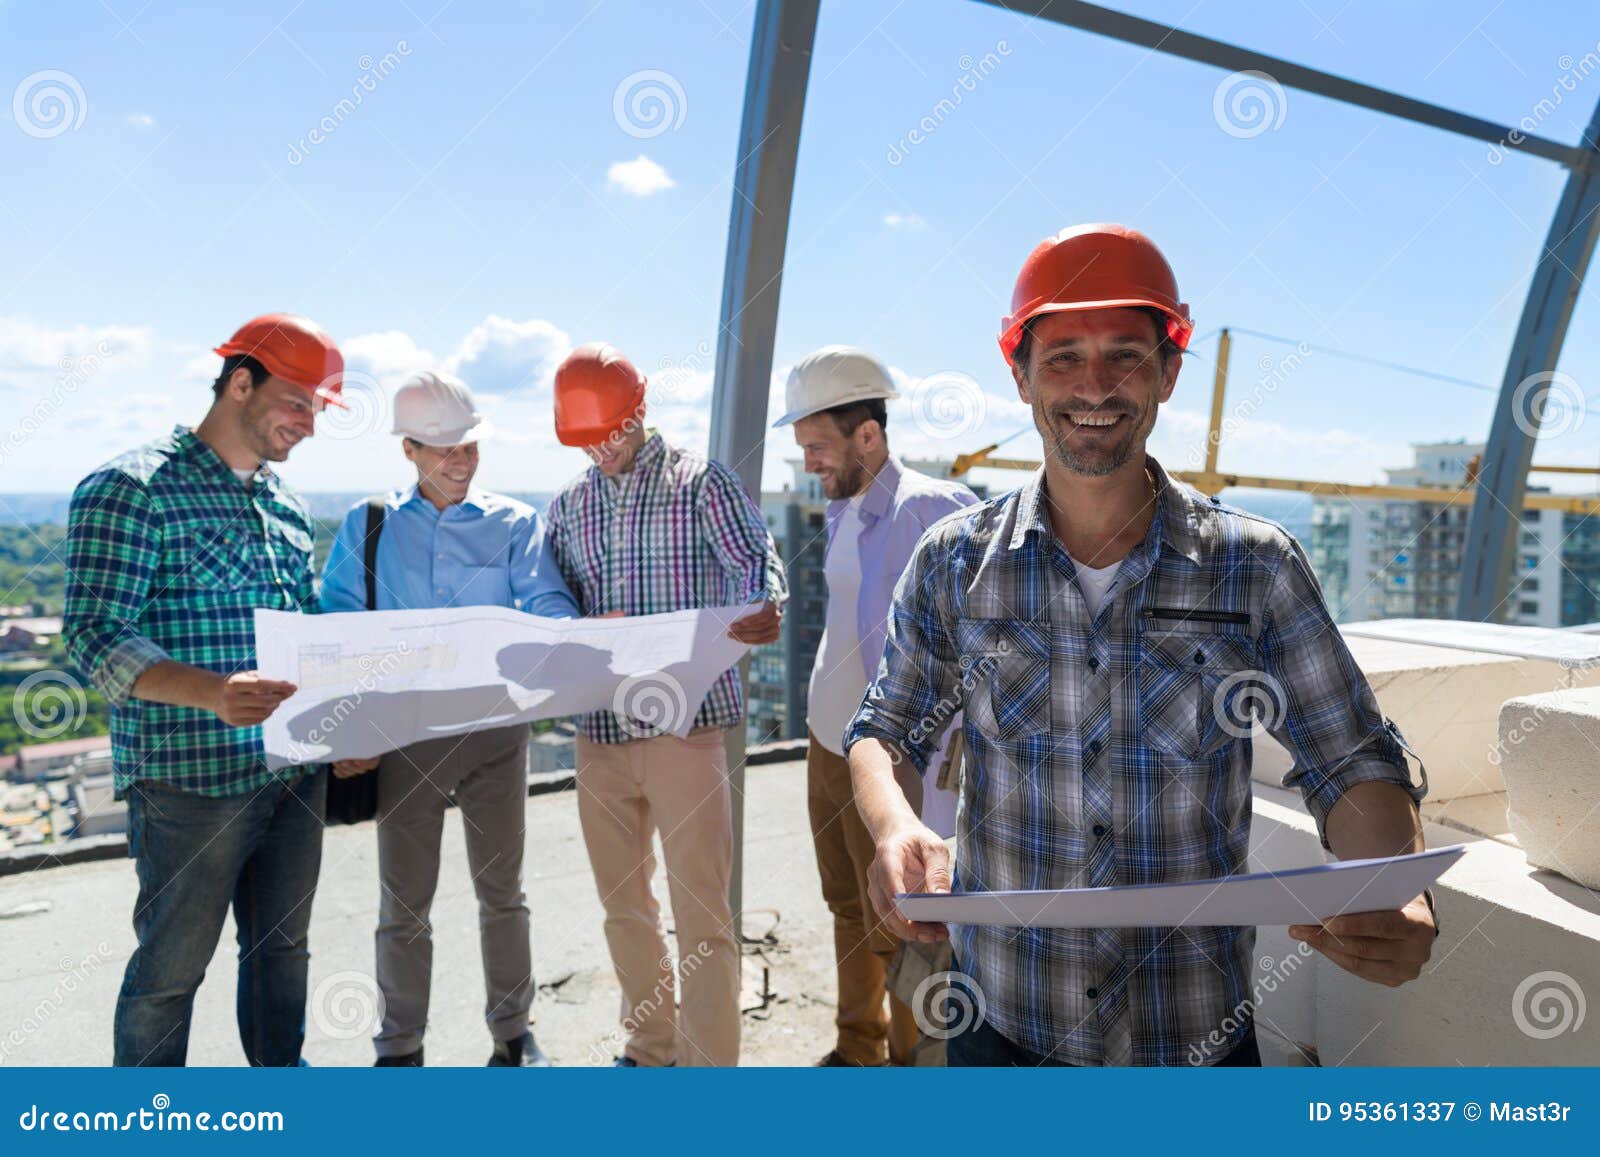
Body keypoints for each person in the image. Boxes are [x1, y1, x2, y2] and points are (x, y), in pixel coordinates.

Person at [844, 224, 1438, 1067]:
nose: (1095, 385)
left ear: (1167, 373)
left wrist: (1393, 885)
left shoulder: (1254, 568)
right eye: (1063, 358)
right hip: (1003, 1028)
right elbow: (886, 728)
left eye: (1125, 354)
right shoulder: (954, 562)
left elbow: (1351, 759)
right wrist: (894, 824)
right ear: (1020, 376)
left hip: (1194, 1040)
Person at [64, 313, 343, 1066]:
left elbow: (308, 634)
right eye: (297, 403)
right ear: (240, 382)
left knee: (283, 955)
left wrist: (346, 728)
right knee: (170, 975)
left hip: (291, 775)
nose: (308, 425)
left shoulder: (286, 506)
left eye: (317, 411)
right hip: (190, 784)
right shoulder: (131, 488)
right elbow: (94, 634)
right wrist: (213, 693)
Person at [319, 371, 579, 1067]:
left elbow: (547, 599)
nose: (460, 460)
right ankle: (400, 1051)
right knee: (403, 907)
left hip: (497, 732)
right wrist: (352, 729)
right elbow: (339, 626)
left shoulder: (516, 522)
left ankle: (513, 1036)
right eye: (443, 449)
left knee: (504, 893)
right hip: (405, 737)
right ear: (408, 448)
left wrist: (558, 633)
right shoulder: (368, 525)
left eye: (469, 446)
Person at [542, 342, 787, 1067]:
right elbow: (550, 596)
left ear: (639, 411)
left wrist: (762, 603)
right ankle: (650, 1051)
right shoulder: (568, 505)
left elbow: (755, 560)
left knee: (703, 916)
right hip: (601, 732)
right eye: (583, 440)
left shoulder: (700, 483)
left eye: (608, 434)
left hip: (687, 729)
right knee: (625, 908)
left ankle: (709, 1071)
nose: (600, 452)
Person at [773, 346, 978, 1066]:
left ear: (869, 434)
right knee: (845, 904)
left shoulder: (934, 507)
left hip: (893, 761)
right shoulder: (842, 506)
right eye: (802, 450)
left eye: (818, 447)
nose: (809, 464)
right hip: (828, 742)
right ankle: (855, 1046)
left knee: (900, 916)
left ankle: (907, 1062)